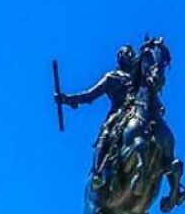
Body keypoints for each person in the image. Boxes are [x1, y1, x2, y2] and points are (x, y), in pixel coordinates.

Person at [55, 45, 137, 189]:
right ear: (120, 57)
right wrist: (67, 99)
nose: (130, 55)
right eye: (127, 53)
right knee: (105, 135)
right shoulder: (111, 77)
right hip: (118, 113)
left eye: (131, 53)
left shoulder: (139, 80)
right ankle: (97, 172)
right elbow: (89, 95)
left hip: (138, 113)